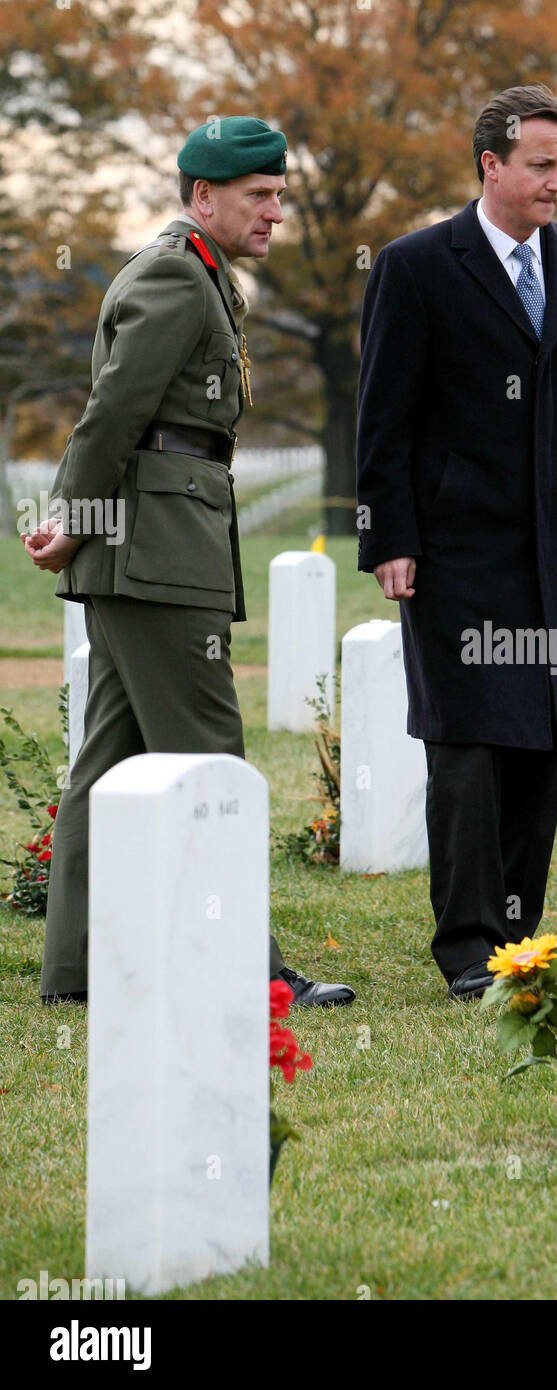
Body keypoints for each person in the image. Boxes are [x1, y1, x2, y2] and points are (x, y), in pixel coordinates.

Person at [23, 116, 354, 1007]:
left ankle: (78, 968)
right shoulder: (175, 272)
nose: (276, 212)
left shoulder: (202, 274)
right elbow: (112, 413)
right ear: (203, 196)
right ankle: (252, 967)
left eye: (280, 195)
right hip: (155, 552)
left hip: (158, 544)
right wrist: (73, 519)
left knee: (109, 763)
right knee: (210, 754)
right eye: (260, 196)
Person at [356, 84, 557, 999]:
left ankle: (519, 940)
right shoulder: (415, 267)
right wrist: (388, 537)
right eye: (540, 164)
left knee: (543, 742)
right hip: (453, 553)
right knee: (469, 746)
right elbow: (383, 418)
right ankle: (467, 949)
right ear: (490, 164)